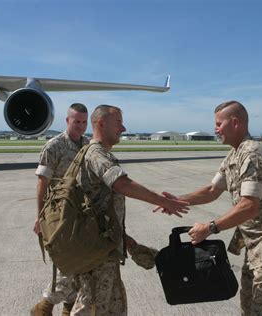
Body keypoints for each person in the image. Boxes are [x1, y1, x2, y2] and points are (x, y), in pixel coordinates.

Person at [158, 100, 262, 315]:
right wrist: (176, 201)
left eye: (218, 124)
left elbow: (249, 206)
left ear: (235, 123)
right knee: (249, 308)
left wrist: (210, 227)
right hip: (255, 246)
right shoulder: (234, 155)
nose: (215, 129)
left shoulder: (253, 153)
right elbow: (211, 190)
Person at [70, 104, 189, 315]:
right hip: (97, 254)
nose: (123, 129)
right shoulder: (96, 153)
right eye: (118, 123)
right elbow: (121, 183)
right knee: (89, 307)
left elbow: (97, 208)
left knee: (114, 307)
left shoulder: (92, 152)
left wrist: (125, 240)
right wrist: (164, 201)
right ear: (101, 123)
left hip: (105, 248)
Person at [31, 103, 90, 316]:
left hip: (81, 215)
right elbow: (41, 184)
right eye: (77, 122)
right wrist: (39, 218)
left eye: (84, 122)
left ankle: (67, 308)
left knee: (81, 262)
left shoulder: (88, 145)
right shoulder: (53, 146)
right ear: (67, 121)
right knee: (69, 262)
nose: (81, 126)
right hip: (58, 215)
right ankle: (44, 307)